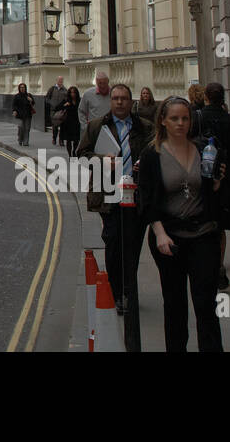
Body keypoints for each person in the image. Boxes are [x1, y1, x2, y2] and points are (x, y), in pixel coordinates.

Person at [138, 95, 225, 351]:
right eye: (174, 118)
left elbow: (210, 191)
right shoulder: (152, 154)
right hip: (170, 239)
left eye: (185, 118)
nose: (180, 123)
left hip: (204, 234)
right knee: (175, 305)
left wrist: (218, 182)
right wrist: (160, 234)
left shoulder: (202, 149)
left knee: (206, 304)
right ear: (163, 121)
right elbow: (147, 199)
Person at [76, 82, 153, 315]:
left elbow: (156, 153)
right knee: (113, 244)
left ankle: (129, 291)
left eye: (124, 98)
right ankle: (117, 293)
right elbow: (81, 155)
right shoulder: (97, 126)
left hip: (136, 195)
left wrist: (144, 164)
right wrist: (101, 160)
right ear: (111, 101)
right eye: (116, 98)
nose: (120, 102)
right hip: (109, 195)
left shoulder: (145, 127)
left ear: (131, 102)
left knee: (132, 246)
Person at [195, 82, 230, 290]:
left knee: (206, 219)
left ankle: (208, 265)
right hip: (228, 176)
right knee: (220, 225)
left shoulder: (199, 117)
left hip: (205, 175)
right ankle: (218, 265)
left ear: (206, 98)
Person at [60, 85, 82, 157]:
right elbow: (58, 107)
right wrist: (65, 105)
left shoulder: (80, 101)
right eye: (71, 93)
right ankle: (70, 155)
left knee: (76, 140)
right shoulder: (66, 100)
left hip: (77, 122)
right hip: (68, 123)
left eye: (74, 93)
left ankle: (74, 152)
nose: (73, 94)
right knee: (69, 140)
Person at [44, 75, 67, 144]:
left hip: (61, 110)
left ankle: (61, 140)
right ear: (56, 81)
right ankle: (54, 138)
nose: (61, 82)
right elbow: (47, 98)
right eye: (59, 80)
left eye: (62, 80)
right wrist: (51, 103)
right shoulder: (52, 88)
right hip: (53, 110)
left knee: (62, 126)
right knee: (55, 125)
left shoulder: (65, 90)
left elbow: (67, 99)